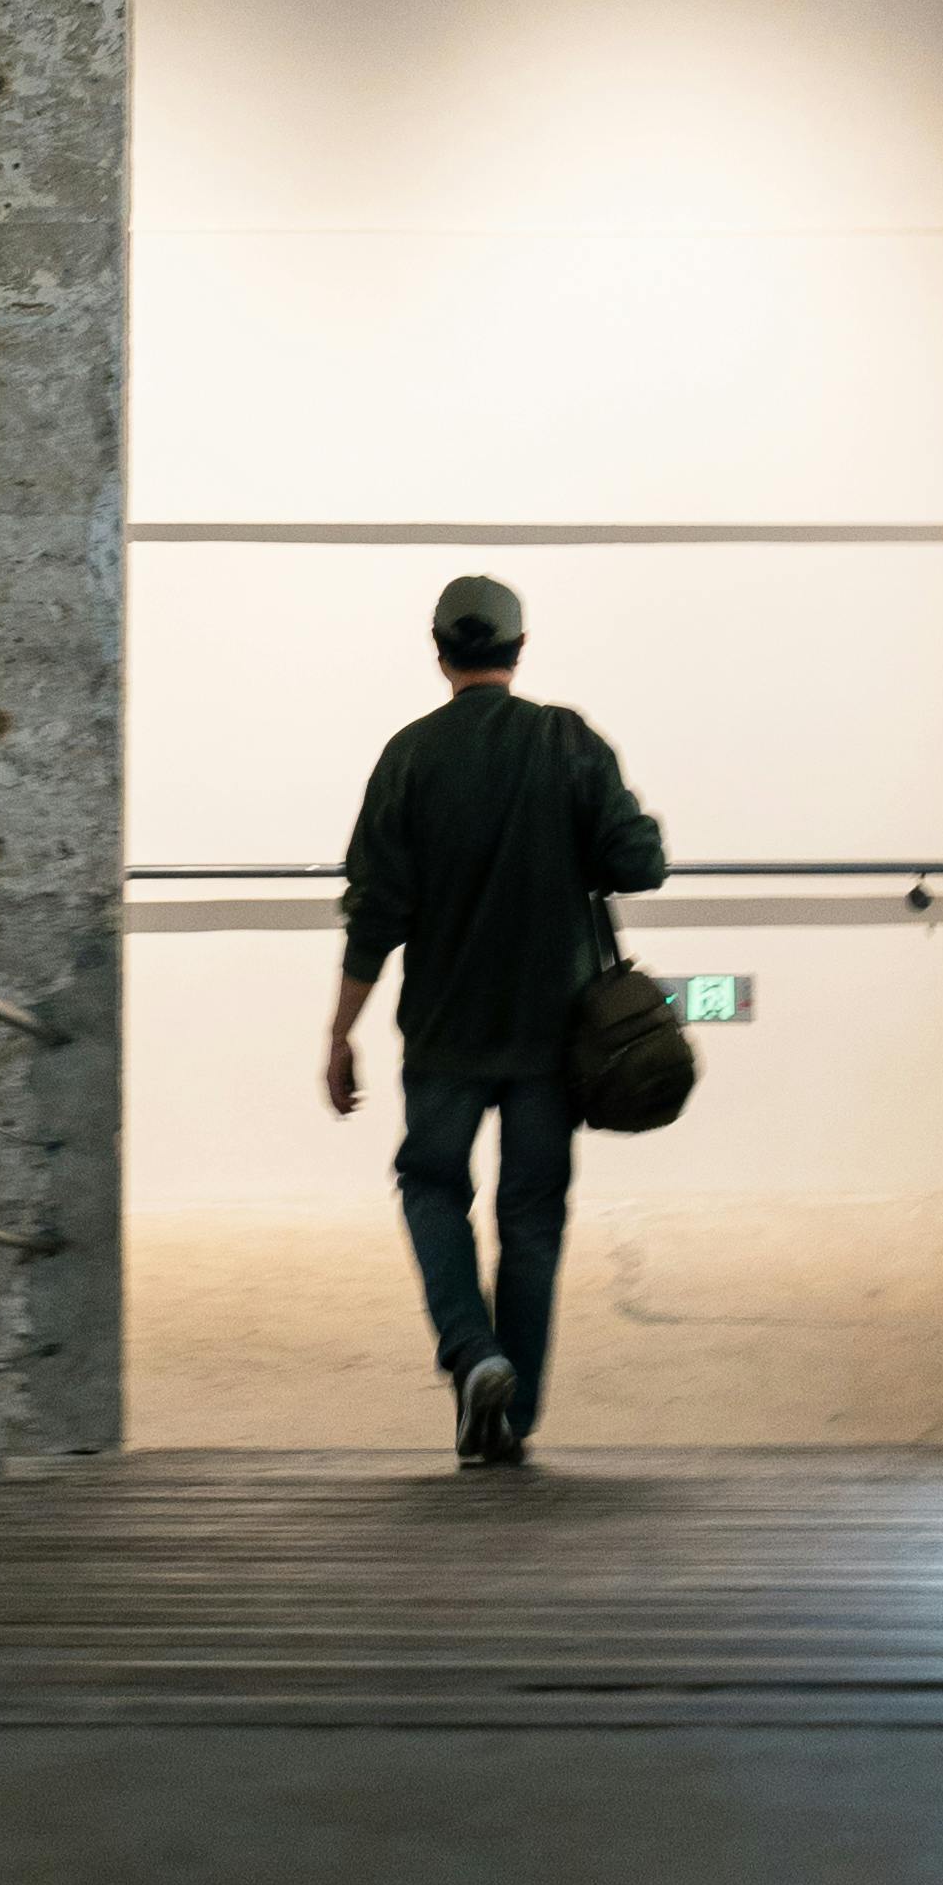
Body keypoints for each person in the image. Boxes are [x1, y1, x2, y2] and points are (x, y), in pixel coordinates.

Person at [325, 574, 668, 1470]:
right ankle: (511, 1412)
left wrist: (340, 1031)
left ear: (439, 650)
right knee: (533, 1214)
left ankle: (475, 1356)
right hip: (554, 1038)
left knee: (432, 1186)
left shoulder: (408, 756)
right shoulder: (568, 742)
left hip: (443, 1032)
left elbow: (376, 912)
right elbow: (640, 864)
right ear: (519, 649)